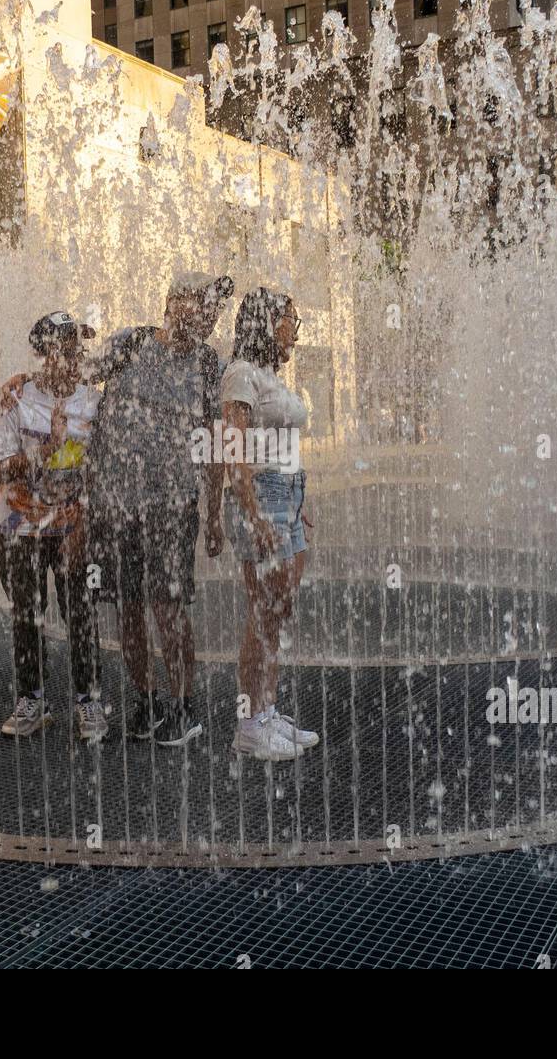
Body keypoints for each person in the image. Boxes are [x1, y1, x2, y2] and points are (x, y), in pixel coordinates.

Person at [85, 272, 232, 746]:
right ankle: (145, 700)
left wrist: (213, 515)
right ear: (171, 302)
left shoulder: (209, 364)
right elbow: (80, 380)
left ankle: (184, 705)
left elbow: (213, 444)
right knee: (128, 607)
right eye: (196, 303)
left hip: (174, 506)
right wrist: (27, 381)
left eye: (211, 311)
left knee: (168, 607)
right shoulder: (130, 343)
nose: (204, 315)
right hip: (117, 504)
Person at [0, 311, 107, 742]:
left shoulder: (93, 402)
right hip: (20, 525)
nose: (75, 355)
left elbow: (100, 472)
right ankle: (32, 699)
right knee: (27, 613)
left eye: (78, 345)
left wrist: (87, 522)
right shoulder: (15, 400)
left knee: (81, 613)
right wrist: (46, 450)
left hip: (72, 524)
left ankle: (89, 702)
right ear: (43, 354)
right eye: (65, 346)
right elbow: (1, 470)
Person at [221, 288, 319, 761]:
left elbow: (282, 442)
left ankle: (268, 709)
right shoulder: (240, 374)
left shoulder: (269, 378)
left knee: (278, 612)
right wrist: (253, 513)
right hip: (260, 496)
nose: (294, 332)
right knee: (263, 613)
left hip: (286, 496)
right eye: (289, 321)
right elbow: (233, 449)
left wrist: (298, 502)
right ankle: (248, 725)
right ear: (266, 323)